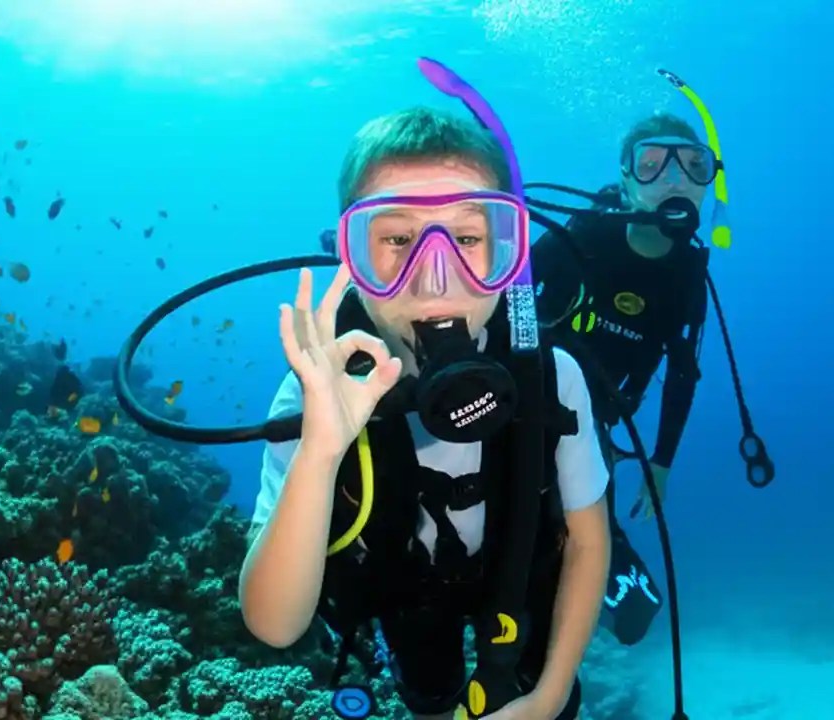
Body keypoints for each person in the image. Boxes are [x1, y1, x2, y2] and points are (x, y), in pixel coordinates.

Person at [239, 60, 611, 720]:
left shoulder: (555, 377)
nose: (435, 281)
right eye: (396, 241)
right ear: (351, 260)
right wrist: (321, 450)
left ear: (508, 257)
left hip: (520, 583)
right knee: (430, 695)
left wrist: (551, 694)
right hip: (407, 591)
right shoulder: (314, 394)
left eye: (468, 238)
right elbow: (274, 625)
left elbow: (586, 540)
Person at [531, 111, 715, 520]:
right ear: (626, 180)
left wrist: (662, 462)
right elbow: (509, 296)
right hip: (527, 397)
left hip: (600, 424)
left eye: (694, 165)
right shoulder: (583, 235)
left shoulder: (687, 275)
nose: (674, 180)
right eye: (650, 166)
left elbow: (683, 373)